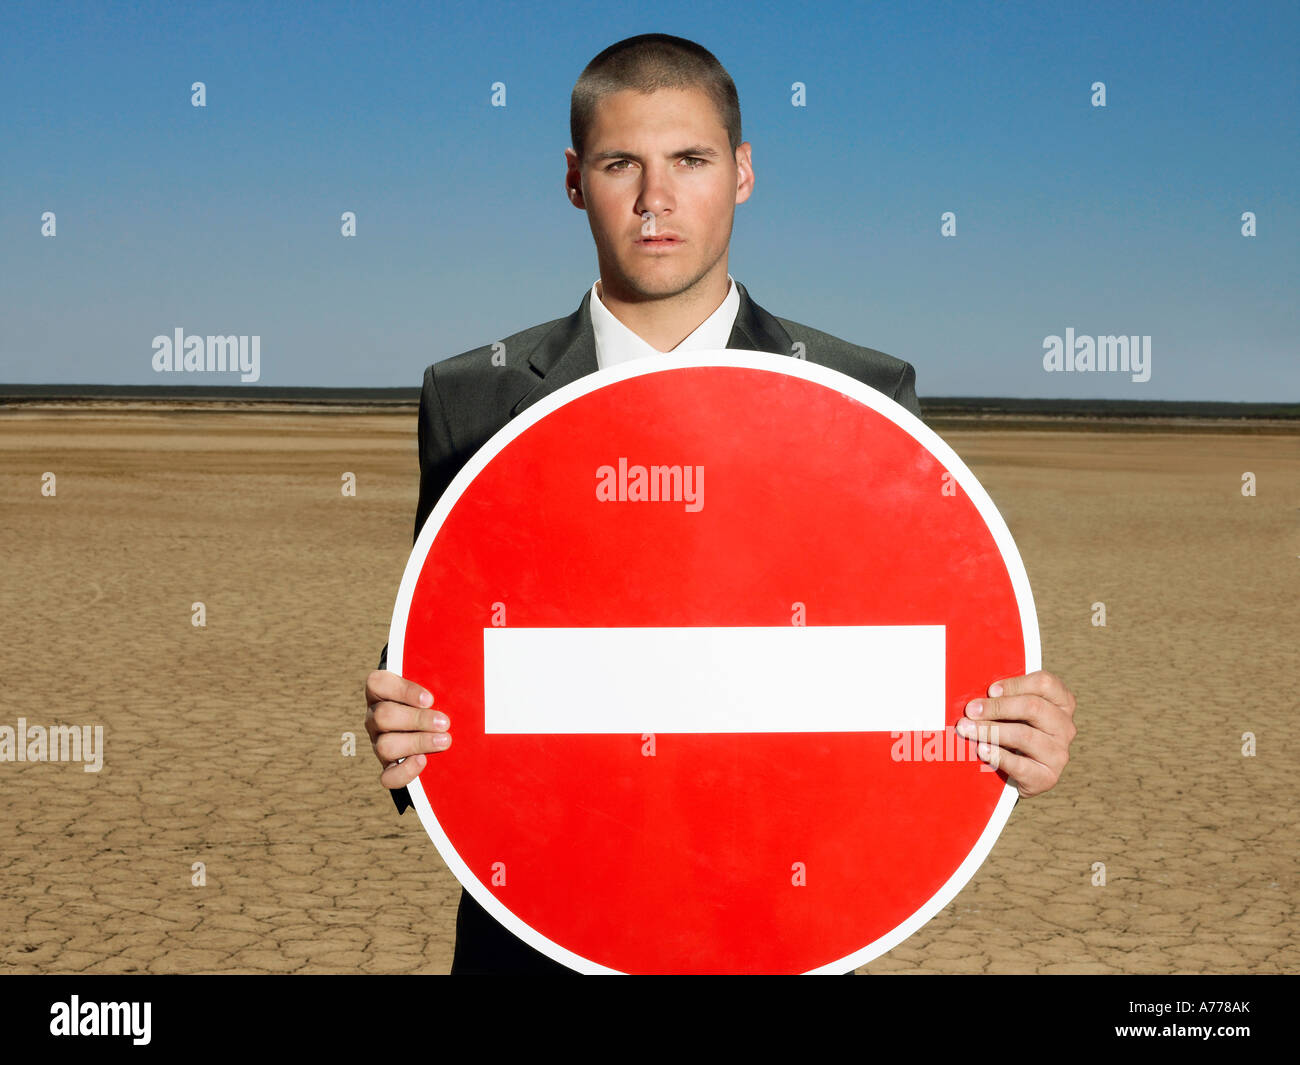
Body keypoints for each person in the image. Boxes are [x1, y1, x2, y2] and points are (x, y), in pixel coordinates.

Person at [364, 33, 1078, 974]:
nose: (656, 201)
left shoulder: (860, 393)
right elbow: (447, 640)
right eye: (623, 164)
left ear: (742, 172)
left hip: (778, 927)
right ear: (575, 180)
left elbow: (909, 660)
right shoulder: (475, 395)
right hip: (542, 928)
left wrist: (1011, 739)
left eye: (691, 161)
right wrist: (400, 720)